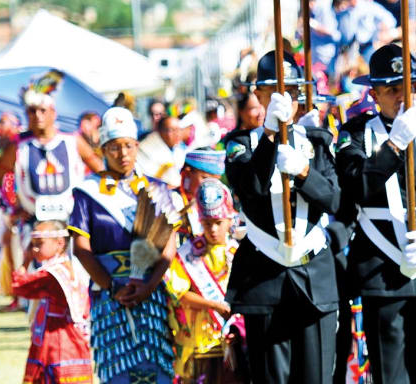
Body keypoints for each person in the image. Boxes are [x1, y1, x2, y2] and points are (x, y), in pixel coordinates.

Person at [337, 44, 416, 384]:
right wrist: (394, 144)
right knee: (390, 374)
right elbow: (357, 188)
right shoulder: (357, 135)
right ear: (374, 94)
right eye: (391, 89)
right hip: (382, 270)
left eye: (407, 86)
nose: (401, 96)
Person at [222, 50, 342, 383]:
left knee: (317, 376)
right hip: (264, 276)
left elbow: (334, 199)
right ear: (259, 94)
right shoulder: (239, 144)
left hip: (313, 275)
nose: (284, 99)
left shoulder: (316, 142)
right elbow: (253, 187)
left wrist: (304, 172)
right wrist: (270, 137)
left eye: (290, 91)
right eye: (275, 91)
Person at [67, 107, 177, 383]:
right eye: (114, 147)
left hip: (151, 292)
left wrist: (149, 285)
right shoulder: (87, 193)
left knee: (155, 366)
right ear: (103, 149)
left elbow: (168, 243)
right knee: (117, 367)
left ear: (137, 146)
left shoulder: (157, 190)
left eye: (128, 145)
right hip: (108, 292)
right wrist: (113, 287)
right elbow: (81, 248)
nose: (123, 154)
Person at [0, 70, 104, 311]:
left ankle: (78, 318)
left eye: (43, 111)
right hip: (35, 225)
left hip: (70, 224)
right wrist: (10, 207)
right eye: (32, 111)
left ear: (54, 113)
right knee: (38, 283)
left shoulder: (72, 142)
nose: (38, 116)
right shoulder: (19, 147)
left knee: (77, 276)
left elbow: (101, 172)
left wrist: (92, 206)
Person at [167, 178, 242, 383]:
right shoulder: (188, 252)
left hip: (230, 341)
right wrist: (213, 305)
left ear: (229, 220)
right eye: (207, 223)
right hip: (197, 342)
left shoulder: (238, 252)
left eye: (219, 223)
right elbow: (179, 293)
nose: (213, 230)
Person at [11, 220, 94, 384]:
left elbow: (19, 286)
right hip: (71, 339)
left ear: (59, 243)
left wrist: (25, 261)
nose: (33, 249)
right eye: (31, 245)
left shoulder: (52, 275)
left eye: (39, 243)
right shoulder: (66, 268)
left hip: (57, 341)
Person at [137, 113, 196, 187]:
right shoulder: (147, 148)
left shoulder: (178, 148)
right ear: (160, 131)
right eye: (172, 130)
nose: (177, 133)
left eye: (179, 129)